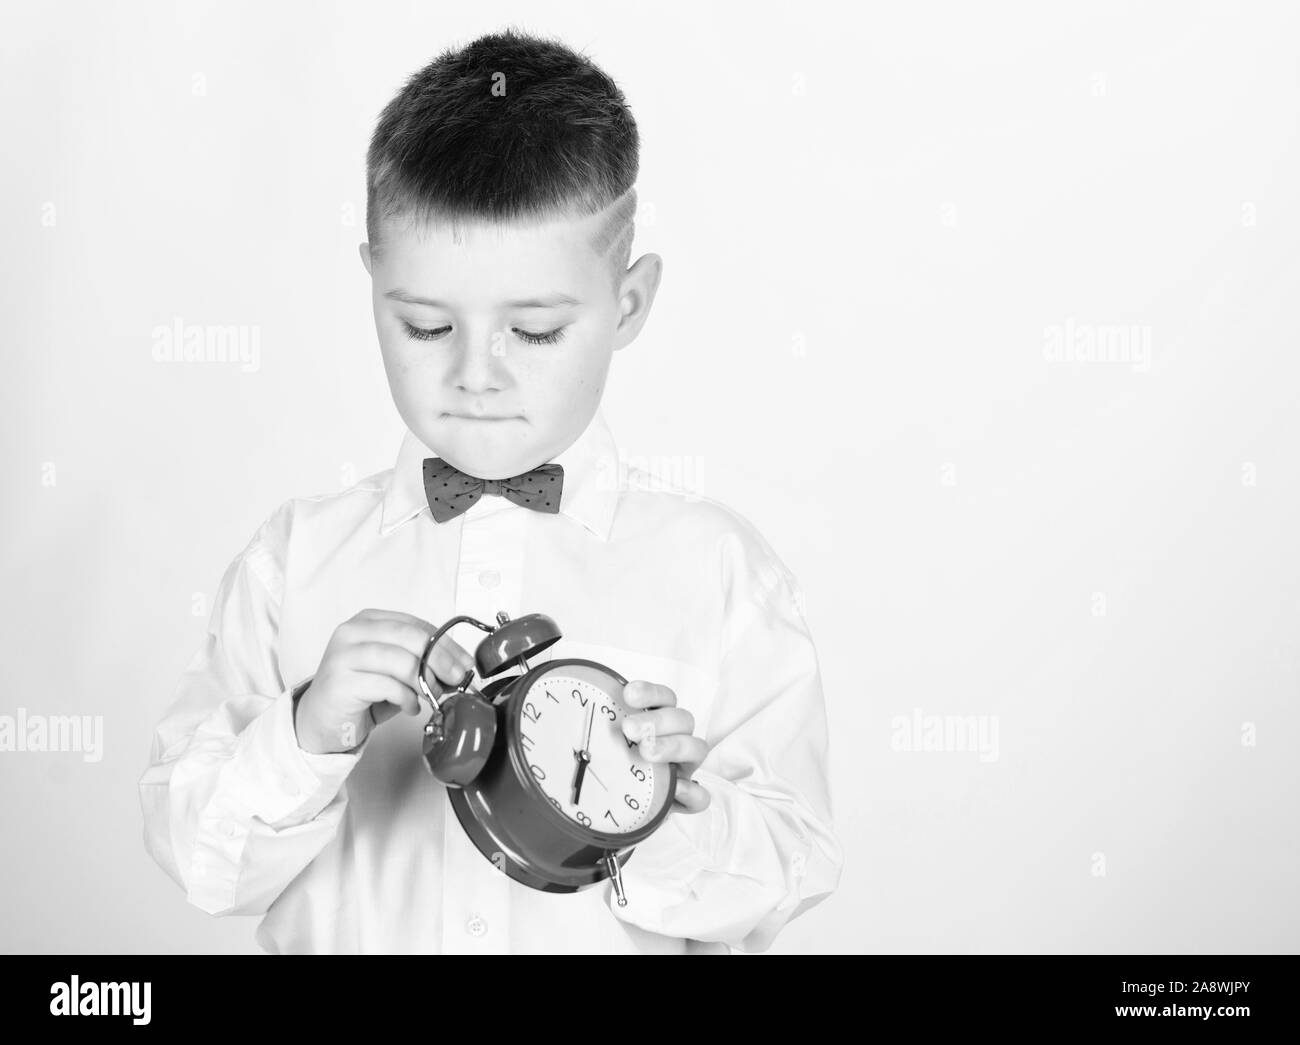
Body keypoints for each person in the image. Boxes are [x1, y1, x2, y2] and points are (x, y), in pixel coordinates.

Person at [139, 26, 843, 954]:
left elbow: (792, 870)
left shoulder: (717, 574)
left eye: (538, 332)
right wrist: (306, 732)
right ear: (375, 288)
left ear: (626, 305)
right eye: (427, 326)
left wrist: (660, 815)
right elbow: (202, 864)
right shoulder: (294, 562)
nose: (478, 375)